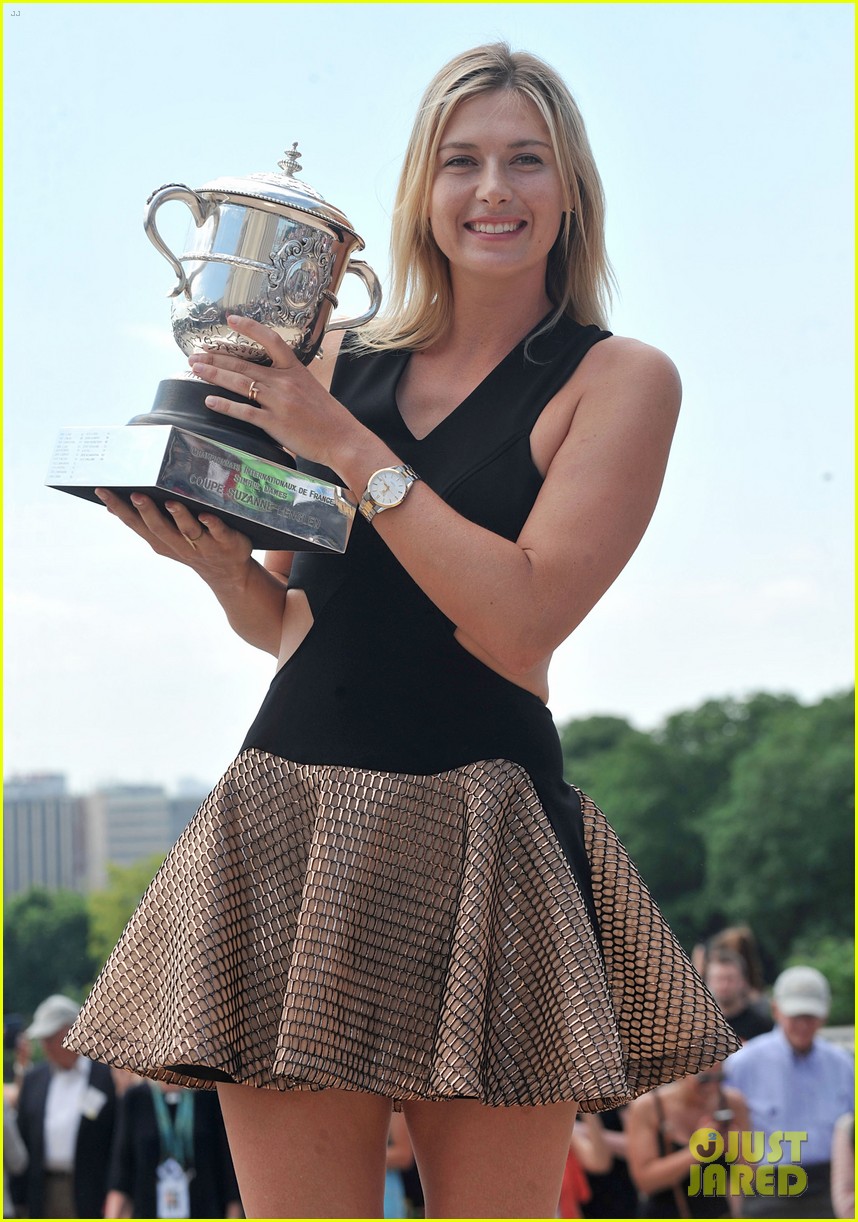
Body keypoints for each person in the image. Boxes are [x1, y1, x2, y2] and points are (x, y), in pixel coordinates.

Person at [64, 43, 739, 1217]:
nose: (493, 191)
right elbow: (290, 625)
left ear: (568, 188)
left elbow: (518, 622)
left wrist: (346, 444)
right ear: (421, 192)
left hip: (490, 830)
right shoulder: (339, 366)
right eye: (462, 161)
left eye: (525, 161)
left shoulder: (617, 378)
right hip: (293, 814)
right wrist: (220, 565)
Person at [723, 965, 854, 1218]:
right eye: (796, 1016)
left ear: (824, 1014)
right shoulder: (744, 1063)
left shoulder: (843, 1064)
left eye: (811, 1016)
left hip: (831, 1186)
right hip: (768, 1190)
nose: (803, 1025)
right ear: (776, 1010)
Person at [11, 994, 116, 1219]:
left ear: (72, 1031)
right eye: (43, 1038)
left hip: (92, 1194)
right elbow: (23, 1137)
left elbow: (117, 1140)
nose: (45, 1045)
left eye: (50, 1037)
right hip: (42, 1193)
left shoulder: (106, 1078)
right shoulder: (34, 1080)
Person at [104, 1081, 242, 1218]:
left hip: (204, 1210)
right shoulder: (135, 1098)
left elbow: (228, 1174)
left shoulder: (209, 1097)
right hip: (148, 1211)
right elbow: (121, 1174)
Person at [625, 1067, 750, 1217]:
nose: (712, 1087)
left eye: (720, 1078)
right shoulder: (649, 1107)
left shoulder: (732, 1102)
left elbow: (749, 1176)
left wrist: (737, 1147)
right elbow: (645, 1181)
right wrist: (697, 1152)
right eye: (704, 1079)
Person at [705, 948, 774, 1043]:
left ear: (743, 982)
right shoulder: (700, 1025)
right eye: (719, 979)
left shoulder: (762, 1027)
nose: (724, 985)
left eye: (730, 979)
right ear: (708, 982)